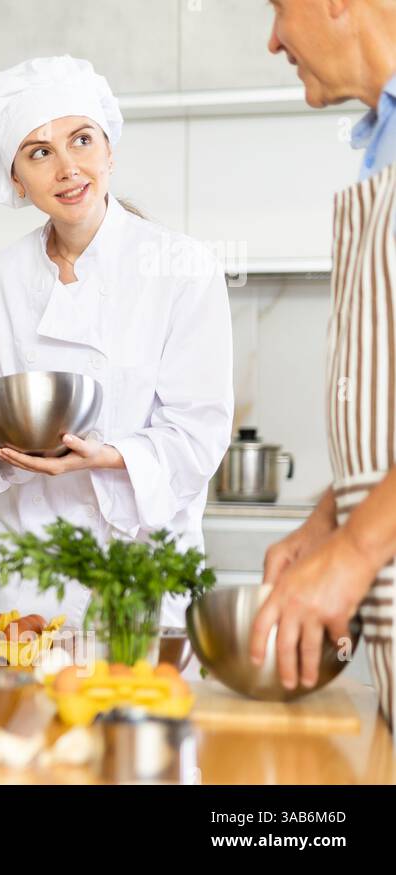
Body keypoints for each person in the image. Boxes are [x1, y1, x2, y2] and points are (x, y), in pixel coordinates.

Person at [0, 56, 234, 631]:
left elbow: (199, 434)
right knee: (21, 721)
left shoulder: (181, 267)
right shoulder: (4, 277)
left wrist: (109, 457)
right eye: (39, 153)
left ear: (109, 149)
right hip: (31, 577)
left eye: (81, 140)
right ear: (16, 179)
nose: (67, 168)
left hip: (140, 572)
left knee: (134, 716)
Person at [251, 0, 396, 728]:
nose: (273, 39)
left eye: (278, 8)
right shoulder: (382, 147)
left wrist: (354, 551)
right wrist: (330, 518)